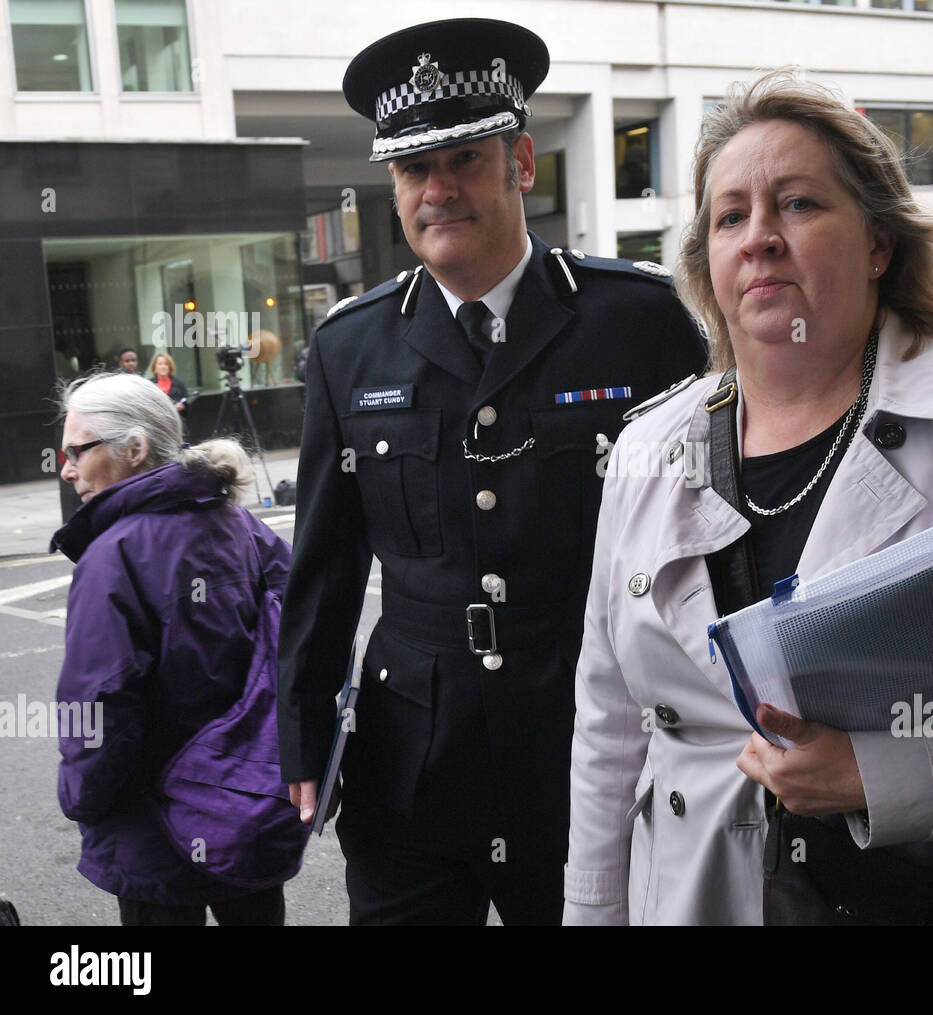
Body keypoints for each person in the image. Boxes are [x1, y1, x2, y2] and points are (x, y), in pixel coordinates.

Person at [564, 71, 933, 926]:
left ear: (879, 242)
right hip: (706, 891)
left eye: (800, 205)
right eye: (730, 215)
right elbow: (610, 724)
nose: (760, 238)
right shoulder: (644, 447)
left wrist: (878, 772)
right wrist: (592, 913)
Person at [276, 18, 706, 926]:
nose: (437, 191)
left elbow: (707, 540)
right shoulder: (350, 348)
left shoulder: (640, 322)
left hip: (588, 749)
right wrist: (304, 731)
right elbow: (325, 566)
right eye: (412, 170)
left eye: (464, 159)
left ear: (521, 162)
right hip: (413, 765)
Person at [52, 372, 292, 925]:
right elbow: (305, 646)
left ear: (134, 449)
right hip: (249, 808)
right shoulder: (244, 527)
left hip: (153, 826)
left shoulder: (112, 557)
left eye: (76, 452)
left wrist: (81, 797)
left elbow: (99, 708)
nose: (66, 469)